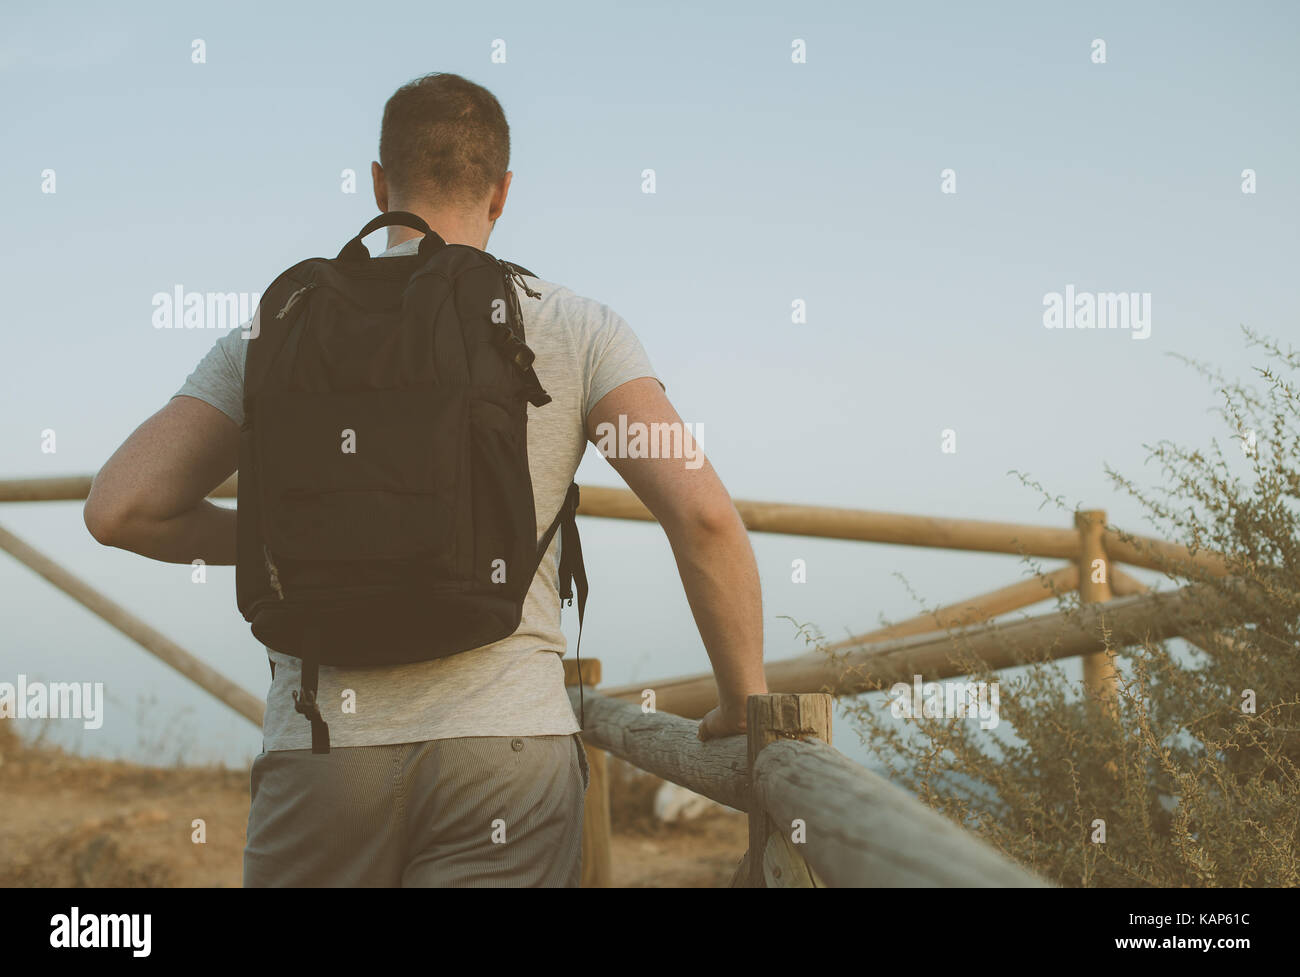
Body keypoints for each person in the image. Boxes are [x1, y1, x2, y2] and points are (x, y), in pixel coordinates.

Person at [83, 72, 767, 887]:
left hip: (324, 752)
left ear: (379, 182)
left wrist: (303, 543)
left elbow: (119, 508)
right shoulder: (570, 326)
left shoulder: (284, 324)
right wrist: (744, 700)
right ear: (504, 192)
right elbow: (704, 517)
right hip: (504, 755)